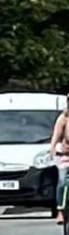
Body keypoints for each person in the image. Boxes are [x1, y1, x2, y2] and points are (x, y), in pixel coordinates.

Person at [51, 94, 69, 224]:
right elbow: (55, 138)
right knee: (62, 181)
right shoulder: (64, 118)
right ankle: (61, 211)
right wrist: (54, 149)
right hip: (66, 156)